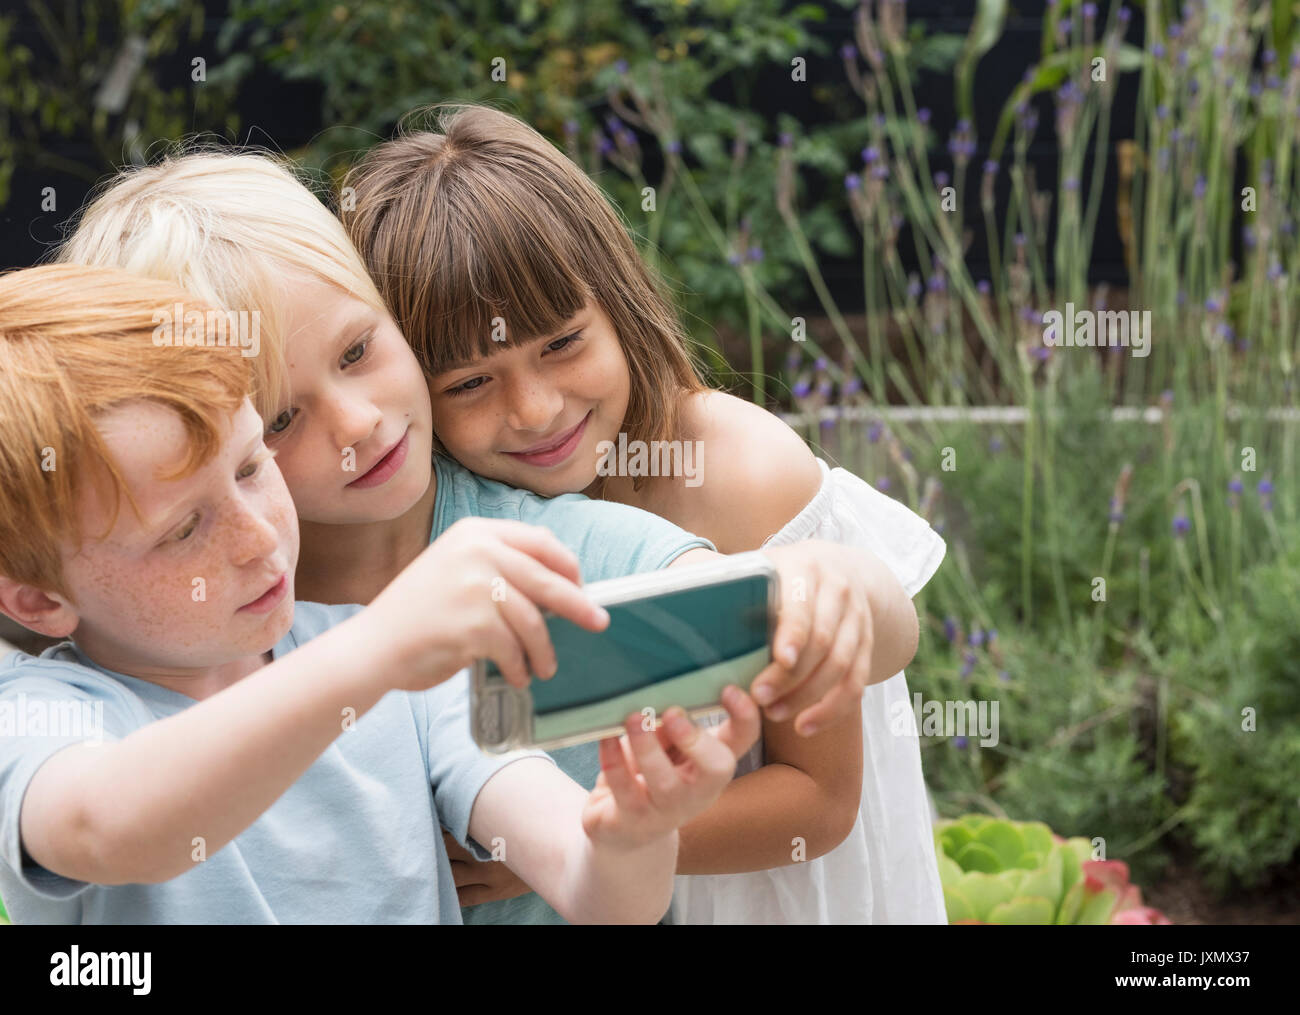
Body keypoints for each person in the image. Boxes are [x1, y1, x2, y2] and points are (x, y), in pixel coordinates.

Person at [57, 148, 920, 924]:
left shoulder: (554, 549)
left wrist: (824, 578)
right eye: (281, 416)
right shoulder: (194, 627)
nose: (356, 421)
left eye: (358, 350)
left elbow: (808, 635)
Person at [0, 264, 768, 924]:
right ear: (35, 601)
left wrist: (634, 833)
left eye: (248, 468)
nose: (259, 538)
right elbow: (106, 825)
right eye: (179, 531)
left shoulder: (397, 673)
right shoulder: (39, 715)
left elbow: (596, 891)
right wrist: (380, 648)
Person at [339, 104, 949, 924]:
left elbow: (820, 800)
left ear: (616, 301)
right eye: (471, 383)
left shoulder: (737, 474)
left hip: (764, 887)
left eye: (561, 343)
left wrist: (561, 857)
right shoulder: (456, 511)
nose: (536, 409)